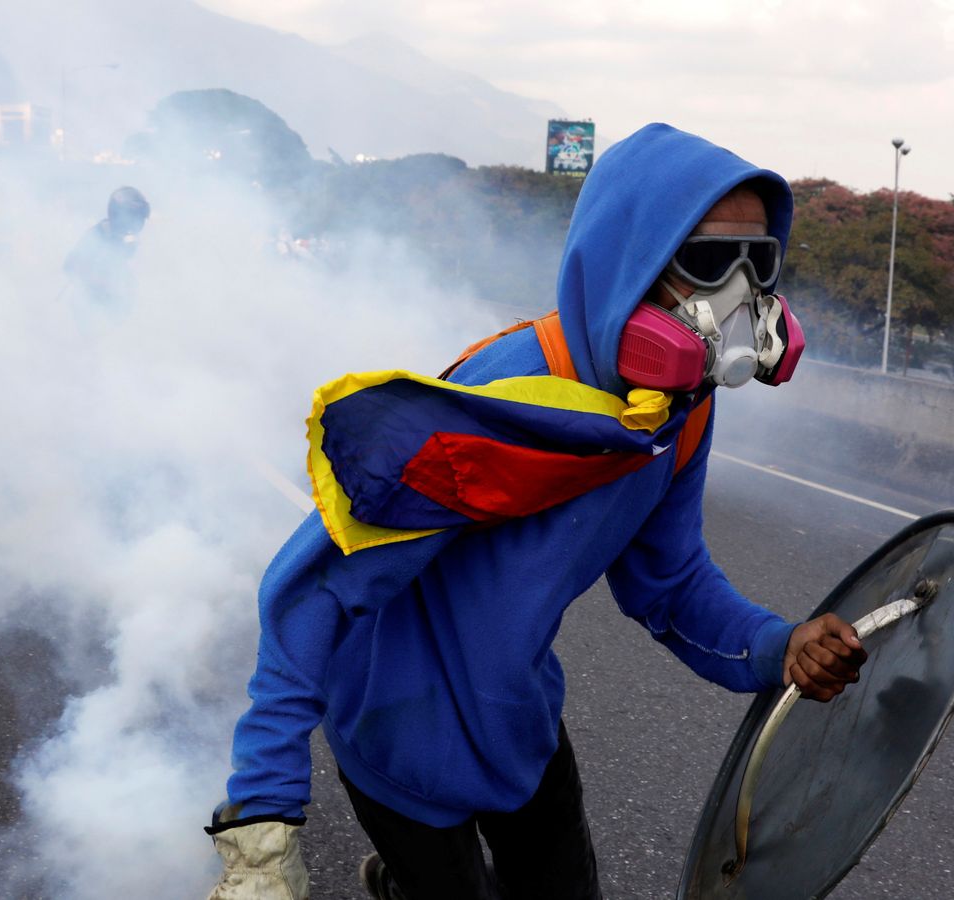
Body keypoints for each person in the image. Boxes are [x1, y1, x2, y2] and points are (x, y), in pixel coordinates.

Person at [203, 124, 867, 900]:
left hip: (518, 724)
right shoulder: (501, 400)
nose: (744, 297)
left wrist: (776, 646)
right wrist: (263, 810)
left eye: (762, 262)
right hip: (397, 736)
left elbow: (671, 582)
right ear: (632, 262)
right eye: (713, 263)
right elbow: (309, 592)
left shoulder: (675, 411)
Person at [63, 185, 150, 309]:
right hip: (91, 305)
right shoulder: (99, 234)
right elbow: (70, 265)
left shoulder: (127, 239)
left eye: (138, 217)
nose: (135, 222)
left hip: (117, 303)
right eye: (132, 216)